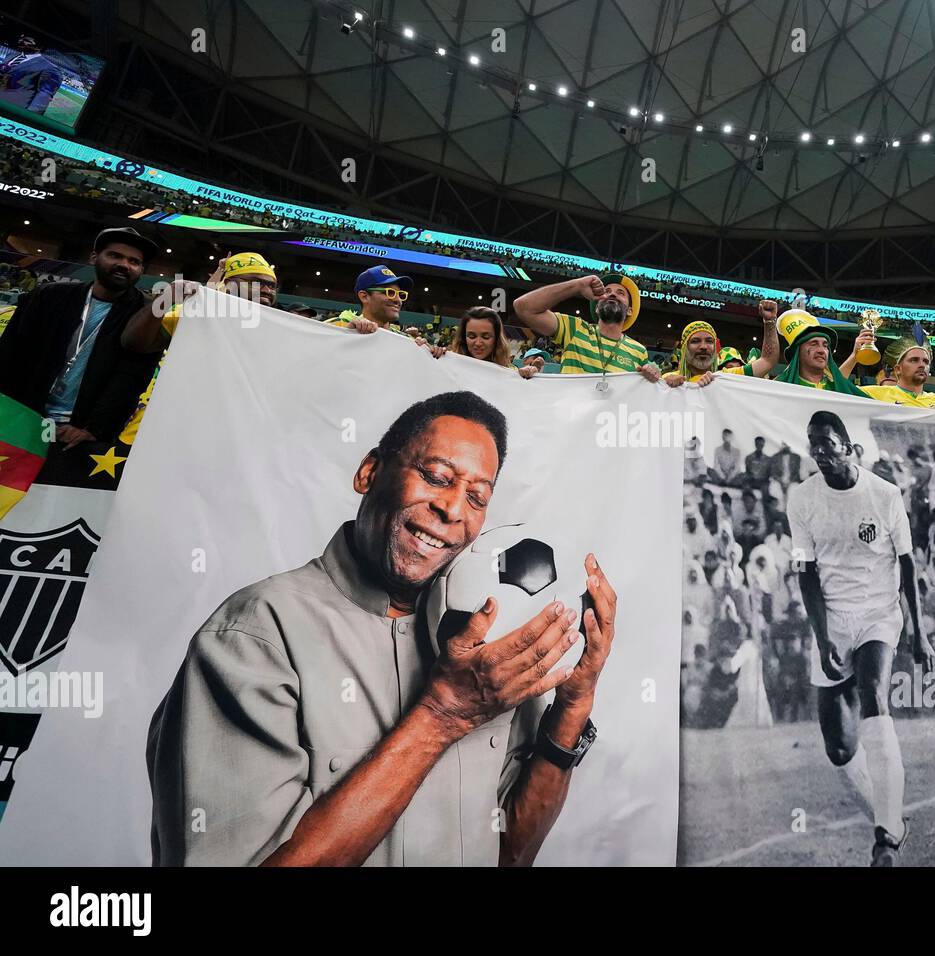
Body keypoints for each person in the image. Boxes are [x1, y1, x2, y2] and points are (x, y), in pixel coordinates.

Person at [147, 391, 620, 866]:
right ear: (369, 472)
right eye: (436, 477)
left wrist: (573, 705)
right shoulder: (256, 635)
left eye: (477, 497)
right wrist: (442, 715)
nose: (453, 509)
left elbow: (509, 853)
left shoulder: (488, 649)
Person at [786, 409, 935, 866]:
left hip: (878, 614)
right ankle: (891, 817)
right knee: (839, 748)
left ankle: (886, 840)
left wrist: (920, 633)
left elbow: (907, 566)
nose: (820, 452)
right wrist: (821, 636)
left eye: (828, 443)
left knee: (873, 694)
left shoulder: (886, 495)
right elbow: (805, 572)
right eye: (813, 444)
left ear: (849, 447)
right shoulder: (801, 498)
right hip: (832, 621)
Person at [0, 226, 160, 451]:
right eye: (115, 255)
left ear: (141, 269)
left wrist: (94, 428)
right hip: (22, 418)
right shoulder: (49, 296)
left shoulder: (144, 317)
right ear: (94, 257)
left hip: (78, 435)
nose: (124, 265)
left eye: (134, 261)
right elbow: (11, 353)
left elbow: (131, 380)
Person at [119, 251, 281, 444]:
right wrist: (165, 300)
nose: (266, 290)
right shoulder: (193, 314)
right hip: (164, 428)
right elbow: (134, 342)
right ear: (229, 285)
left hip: (225, 438)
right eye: (255, 282)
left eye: (271, 285)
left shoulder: (281, 334)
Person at [511, 274, 659, 380]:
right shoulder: (575, 328)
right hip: (571, 421)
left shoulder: (639, 351)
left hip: (609, 421)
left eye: (620, 293)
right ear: (597, 307)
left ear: (630, 310)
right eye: (607, 291)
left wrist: (653, 376)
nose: (612, 294)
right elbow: (524, 307)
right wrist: (578, 285)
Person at [661, 304, 779, 387]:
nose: (703, 346)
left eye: (709, 341)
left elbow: (768, 360)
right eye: (695, 341)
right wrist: (664, 386)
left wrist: (769, 322)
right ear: (684, 348)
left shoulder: (728, 377)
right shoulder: (668, 379)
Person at [428, 306, 535, 379]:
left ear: (497, 339)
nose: (478, 343)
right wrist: (424, 352)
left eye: (486, 336)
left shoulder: (511, 372)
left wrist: (528, 376)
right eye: (471, 336)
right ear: (463, 338)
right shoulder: (445, 360)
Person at [855, 326, 935, 409]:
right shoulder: (876, 394)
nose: (922, 365)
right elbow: (840, 389)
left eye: (926, 361)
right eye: (914, 360)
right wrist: (854, 355)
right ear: (898, 369)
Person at [332, 265, 411, 334]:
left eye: (400, 294)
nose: (398, 300)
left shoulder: (405, 340)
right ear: (364, 297)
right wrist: (345, 334)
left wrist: (420, 349)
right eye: (390, 292)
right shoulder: (336, 326)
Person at [0, 35, 61, 115]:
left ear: (39, 47)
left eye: (26, 40)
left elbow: (43, 97)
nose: (21, 41)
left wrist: (27, 118)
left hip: (11, 110)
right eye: (21, 38)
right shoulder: (11, 56)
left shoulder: (49, 68)